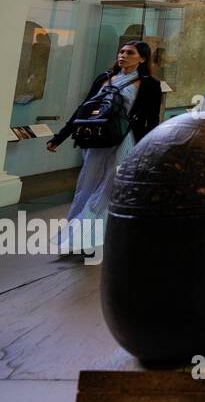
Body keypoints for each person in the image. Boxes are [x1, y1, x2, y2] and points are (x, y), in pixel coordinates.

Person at [47, 41, 161, 257]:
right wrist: (60, 136)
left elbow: (151, 120)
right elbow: (83, 109)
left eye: (130, 53)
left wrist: (147, 148)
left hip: (125, 140)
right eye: (121, 52)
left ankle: (89, 239)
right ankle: (72, 237)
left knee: (108, 189)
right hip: (96, 139)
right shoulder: (104, 78)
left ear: (142, 59)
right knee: (85, 187)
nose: (123, 56)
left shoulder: (149, 85)